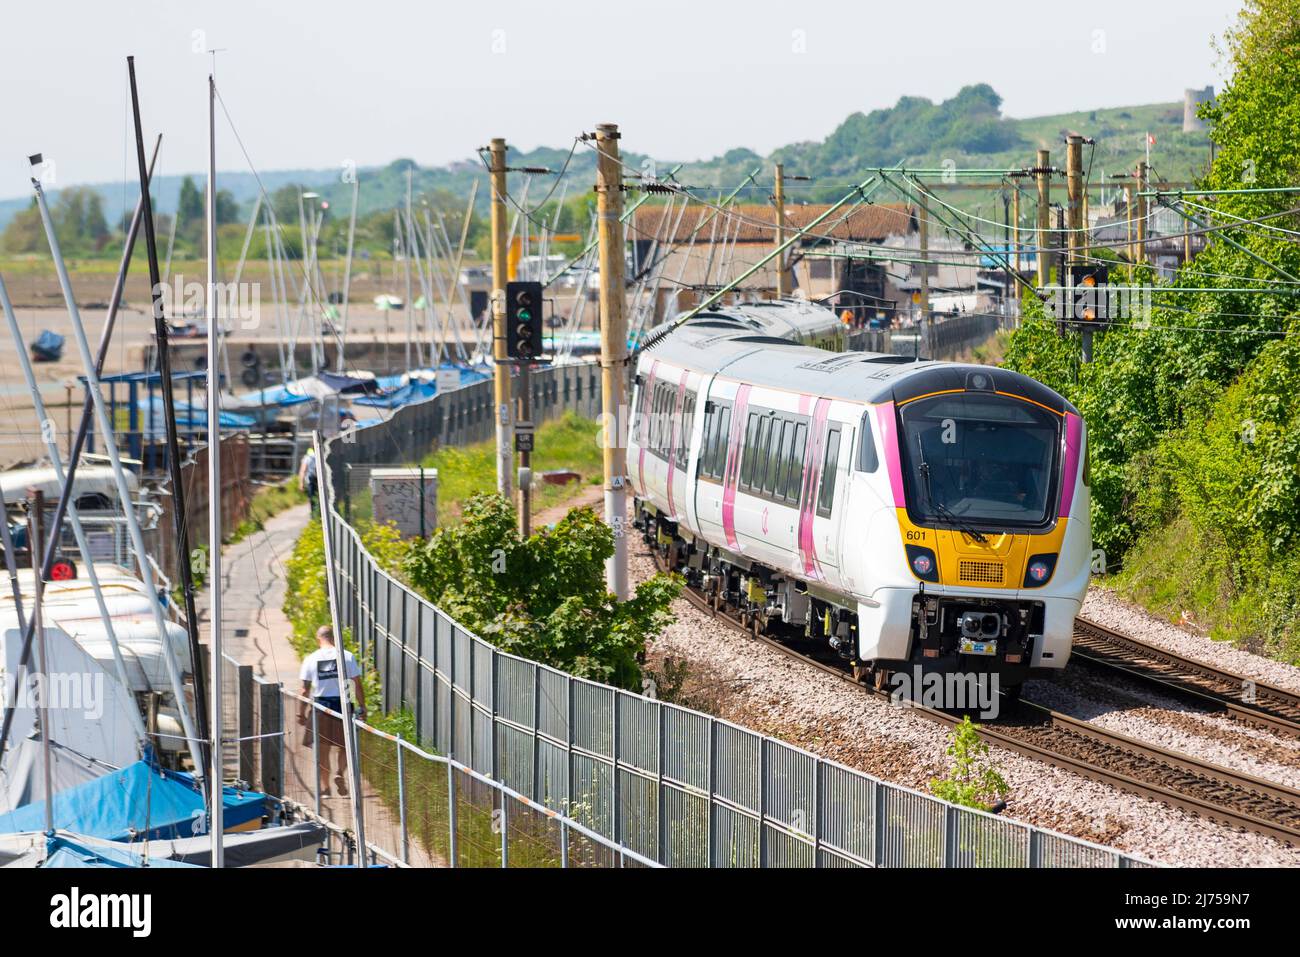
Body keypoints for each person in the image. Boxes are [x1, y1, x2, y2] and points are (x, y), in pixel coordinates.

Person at [298, 625, 367, 798]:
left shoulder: (311, 659)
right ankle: (339, 773)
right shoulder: (347, 656)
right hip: (343, 704)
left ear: (318, 638)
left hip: (321, 706)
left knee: (322, 750)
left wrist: (301, 711)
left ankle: (326, 789)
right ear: (334, 638)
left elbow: (304, 690)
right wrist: (362, 706)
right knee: (346, 745)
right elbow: (357, 685)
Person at [298, 446, 319, 516]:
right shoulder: (320, 456)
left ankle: (314, 515)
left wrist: (301, 483)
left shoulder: (307, 458)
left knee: (312, 498)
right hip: (319, 479)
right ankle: (318, 515)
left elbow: (303, 471)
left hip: (311, 479)